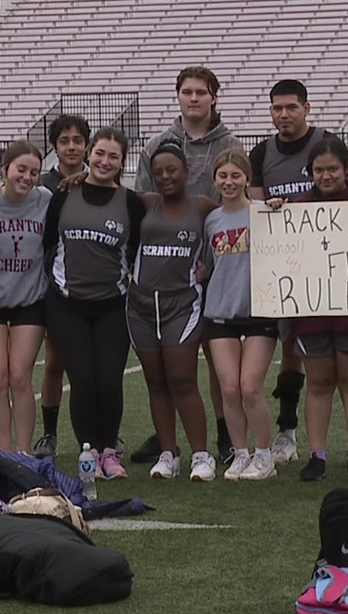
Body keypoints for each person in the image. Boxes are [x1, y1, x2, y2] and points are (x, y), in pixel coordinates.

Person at [247, 80, 348, 466]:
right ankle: (302, 443)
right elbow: (258, 216)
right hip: (306, 294)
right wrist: (273, 214)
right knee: (310, 374)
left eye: (291, 107)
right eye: (277, 108)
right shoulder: (267, 160)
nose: (284, 114)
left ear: (307, 108)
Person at [132, 66, 243, 465]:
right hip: (169, 265)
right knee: (165, 363)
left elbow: (236, 201)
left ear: (214, 97)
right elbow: (141, 199)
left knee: (217, 355)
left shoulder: (231, 143)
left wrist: (210, 256)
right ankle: (166, 439)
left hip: (214, 263)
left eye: (201, 92)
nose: (193, 98)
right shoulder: (158, 143)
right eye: (186, 92)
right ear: (178, 96)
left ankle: (226, 431)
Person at [267, 138, 348, 483]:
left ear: (347, 168)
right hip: (311, 310)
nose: (326, 176)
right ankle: (317, 455)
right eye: (319, 170)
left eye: (332, 169)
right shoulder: (297, 207)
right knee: (318, 382)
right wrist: (275, 213)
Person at [43, 127, 147, 480]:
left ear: (122, 162)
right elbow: (47, 244)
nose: (105, 161)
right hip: (67, 303)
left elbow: (138, 252)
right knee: (83, 380)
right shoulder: (64, 194)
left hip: (113, 304)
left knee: (109, 380)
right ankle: (88, 452)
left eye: (113, 156)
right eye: (100, 153)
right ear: (88, 153)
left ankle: (109, 452)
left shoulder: (130, 202)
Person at [131, 140, 221, 481]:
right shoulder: (144, 203)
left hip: (182, 304)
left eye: (172, 170)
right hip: (140, 306)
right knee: (156, 382)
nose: (165, 177)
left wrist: (208, 266)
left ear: (186, 172)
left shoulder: (202, 206)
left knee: (183, 380)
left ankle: (202, 455)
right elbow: (105, 192)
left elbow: (235, 220)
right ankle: (169, 454)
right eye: (158, 173)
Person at [204, 148, 279, 481]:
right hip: (221, 313)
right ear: (215, 180)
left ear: (247, 178)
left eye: (236, 175)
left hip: (260, 313)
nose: (229, 182)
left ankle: (264, 455)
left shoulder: (266, 212)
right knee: (229, 390)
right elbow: (206, 264)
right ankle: (240, 453)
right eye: (223, 176)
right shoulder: (212, 220)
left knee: (250, 387)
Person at [0, 141, 51, 453]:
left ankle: (24, 453)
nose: (27, 177)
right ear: (5, 169)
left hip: (29, 301)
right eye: (21, 169)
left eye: (34, 172)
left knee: (20, 377)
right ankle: (5, 453)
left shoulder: (45, 199)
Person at [34, 113, 92, 457]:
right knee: (55, 362)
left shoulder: (102, 180)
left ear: (87, 144)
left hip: (95, 284)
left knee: (97, 366)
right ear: (55, 147)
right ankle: (50, 434)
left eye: (77, 140)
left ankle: (103, 434)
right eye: (64, 141)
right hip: (52, 284)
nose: (71, 147)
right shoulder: (42, 185)